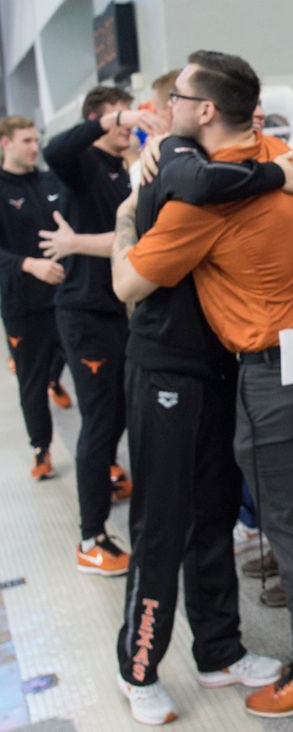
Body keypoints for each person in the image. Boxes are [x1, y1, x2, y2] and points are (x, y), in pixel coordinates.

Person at [111, 50, 293, 719]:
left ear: (206, 111)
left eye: (179, 102)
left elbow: (126, 283)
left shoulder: (200, 203)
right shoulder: (283, 157)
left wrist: (131, 207)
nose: (169, 113)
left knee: (291, 527)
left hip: (275, 375)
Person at [108, 52, 293, 725]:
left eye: (182, 97)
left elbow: (273, 165)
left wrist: (279, 170)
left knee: (215, 515)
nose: (169, 108)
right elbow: (128, 285)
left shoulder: (251, 164)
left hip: (223, 366)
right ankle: (138, 668)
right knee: (162, 524)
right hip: (164, 368)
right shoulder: (175, 166)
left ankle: (217, 648)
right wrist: (123, 219)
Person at [41, 86, 163, 576]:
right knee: (99, 423)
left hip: (119, 313)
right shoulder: (83, 164)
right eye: (119, 117)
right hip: (84, 315)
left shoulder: (121, 170)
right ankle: (90, 536)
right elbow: (56, 150)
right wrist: (117, 116)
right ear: (100, 119)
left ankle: (126, 505)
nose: (129, 125)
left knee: (123, 416)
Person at [0, 115, 64, 479]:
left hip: (65, 296)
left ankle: (105, 459)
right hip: (23, 304)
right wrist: (28, 265)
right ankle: (41, 449)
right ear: (5, 143)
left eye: (35, 140)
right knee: (32, 379)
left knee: (79, 366)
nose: (33, 147)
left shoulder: (49, 182)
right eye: (25, 141)